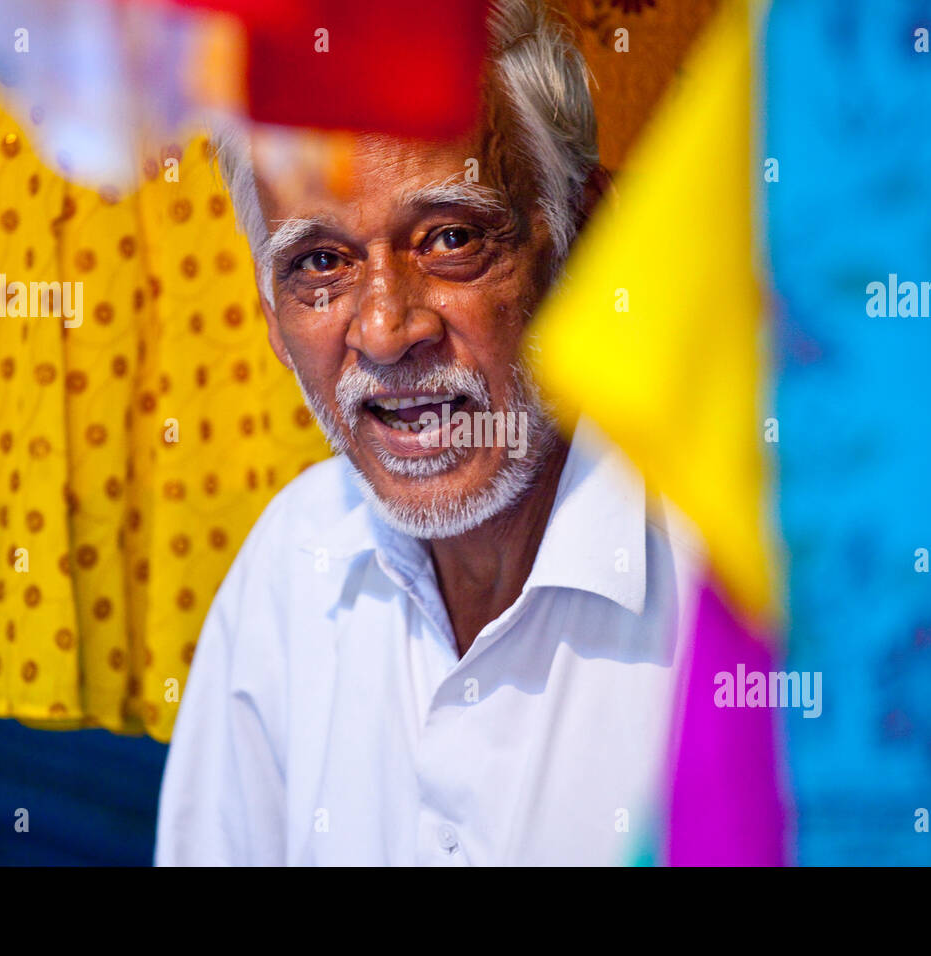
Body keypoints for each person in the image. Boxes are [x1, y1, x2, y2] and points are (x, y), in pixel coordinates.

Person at [155, 0, 702, 866]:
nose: (384, 329)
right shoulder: (291, 565)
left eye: (450, 239)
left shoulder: (734, 584)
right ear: (271, 318)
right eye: (320, 264)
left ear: (587, 239)